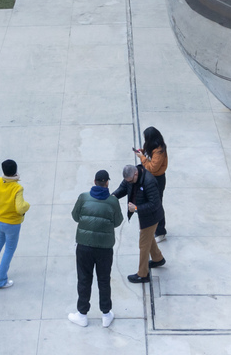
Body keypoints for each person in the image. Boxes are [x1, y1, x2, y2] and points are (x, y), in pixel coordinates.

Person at [69, 169, 123, 327]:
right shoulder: (113, 201)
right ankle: (106, 314)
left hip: (84, 246)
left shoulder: (84, 197)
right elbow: (118, 221)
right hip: (105, 248)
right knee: (104, 280)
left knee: (84, 279)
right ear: (107, 183)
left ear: (94, 181)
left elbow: (75, 216)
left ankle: (82, 314)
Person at [0, 159, 29, 288]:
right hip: (12, 224)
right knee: (9, 250)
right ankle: (0, 280)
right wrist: (27, 206)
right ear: (15, 171)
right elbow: (20, 208)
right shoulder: (17, 188)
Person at [113, 164, 164, 283]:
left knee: (143, 245)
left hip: (151, 217)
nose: (129, 183)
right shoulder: (130, 178)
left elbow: (154, 204)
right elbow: (122, 188)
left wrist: (136, 208)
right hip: (144, 215)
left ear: (135, 174)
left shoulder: (149, 181)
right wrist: (112, 197)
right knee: (148, 238)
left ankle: (143, 274)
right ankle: (158, 259)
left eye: (130, 181)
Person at [136, 127, 168, 240]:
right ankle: (154, 227)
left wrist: (142, 158)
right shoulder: (154, 146)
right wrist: (143, 152)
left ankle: (160, 232)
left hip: (157, 179)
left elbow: (152, 168)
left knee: (157, 204)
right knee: (150, 202)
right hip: (151, 178)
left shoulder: (159, 151)